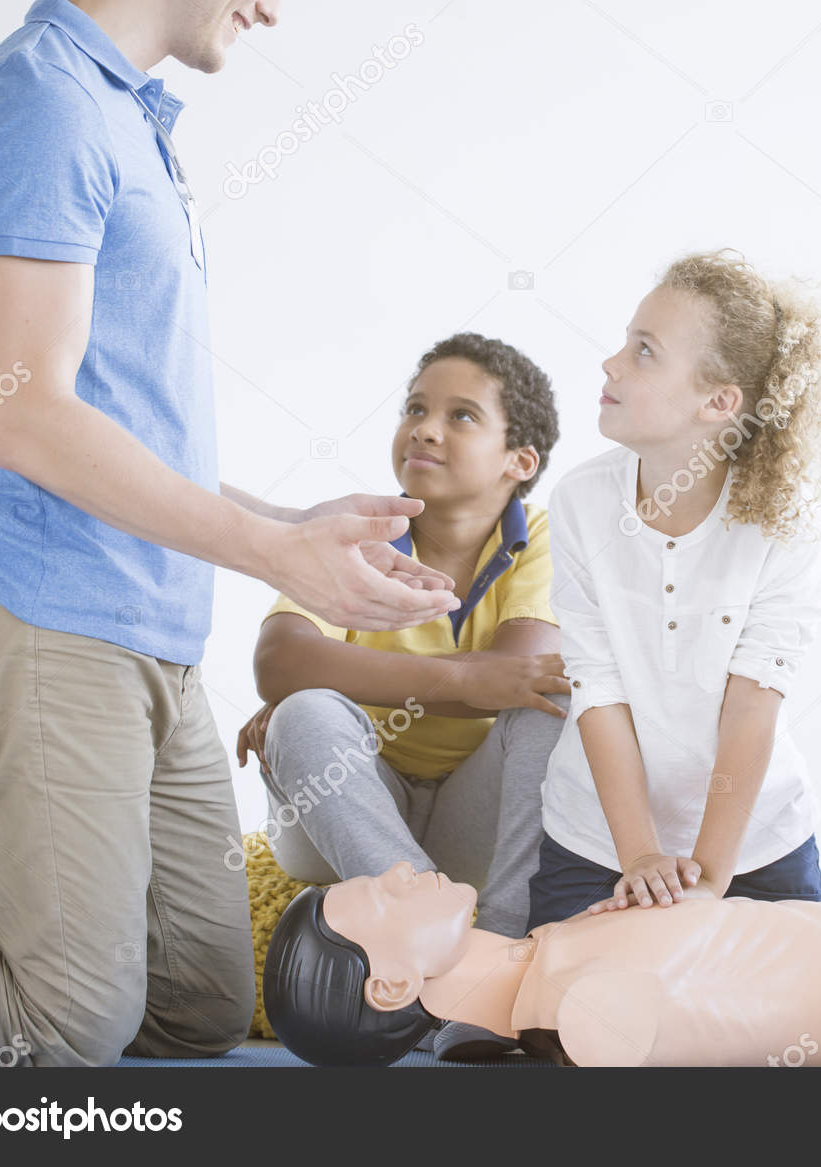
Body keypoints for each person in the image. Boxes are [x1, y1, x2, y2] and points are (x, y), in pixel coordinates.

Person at [0, 0, 461, 1068]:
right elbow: (28, 417)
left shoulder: (116, 116)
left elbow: (109, 425)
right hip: (43, 618)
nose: (273, 8)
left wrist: (287, 522)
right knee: (67, 1027)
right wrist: (269, 557)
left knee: (193, 1005)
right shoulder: (42, 107)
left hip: (146, 630)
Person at [236, 333, 570, 1058]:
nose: (424, 427)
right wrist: (461, 678)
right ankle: (432, 941)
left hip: (471, 817)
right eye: (416, 408)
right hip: (350, 821)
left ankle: (499, 956)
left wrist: (340, 669)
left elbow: (523, 673)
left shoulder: (545, 537)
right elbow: (280, 659)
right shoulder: (358, 534)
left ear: (521, 463)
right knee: (304, 715)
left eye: (461, 416)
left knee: (551, 706)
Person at [526, 249, 821, 933]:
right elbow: (598, 689)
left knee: (784, 1029)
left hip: (752, 846)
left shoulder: (788, 519)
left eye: (644, 352)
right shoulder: (580, 502)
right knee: (569, 1025)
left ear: (719, 401)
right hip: (599, 838)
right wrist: (639, 855)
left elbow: (751, 707)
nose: (611, 362)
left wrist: (708, 883)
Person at [263, 862, 821, 1067]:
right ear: (391, 985)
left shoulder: (556, 949)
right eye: (382, 893)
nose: (401, 867)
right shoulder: (583, 1016)